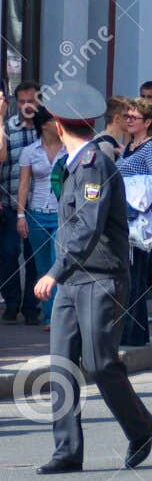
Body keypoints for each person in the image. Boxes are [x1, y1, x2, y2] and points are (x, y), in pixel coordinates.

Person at [30, 84, 152, 474]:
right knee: (61, 364)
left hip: (100, 276)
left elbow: (87, 227)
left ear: (58, 124)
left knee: (100, 363)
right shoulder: (75, 162)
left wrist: (53, 271)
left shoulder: (94, 165)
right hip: (73, 279)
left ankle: (140, 425)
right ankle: (67, 451)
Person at [116, 96, 152, 346]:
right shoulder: (128, 146)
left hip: (140, 221)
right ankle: (132, 332)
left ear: (147, 122)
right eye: (126, 116)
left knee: (135, 277)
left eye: (133, 117)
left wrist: (136, 191)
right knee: (127, 276)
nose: (128, 120)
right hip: (125, 218)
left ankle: (134, 334)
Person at [16, 106, 66, 326]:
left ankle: (58, 317)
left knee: (57, 263)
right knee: (42, 265)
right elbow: (24, 184)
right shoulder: (30, 151)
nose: (60, 125)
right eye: (56, 120)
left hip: (61, 213)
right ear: (45, 124)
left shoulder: (68, 149)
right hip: (37, 213)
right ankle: (47, 315)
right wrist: (20, 215)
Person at [0, 81, 43, 324]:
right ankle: (11, 302)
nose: (27, 105)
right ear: (17, 103)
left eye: (32, 100)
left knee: (34, 257)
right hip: (9, 203)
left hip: (37, 206)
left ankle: (30, 306)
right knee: (7, 253)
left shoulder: (45, 130)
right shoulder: (6, 129)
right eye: (23, 101)